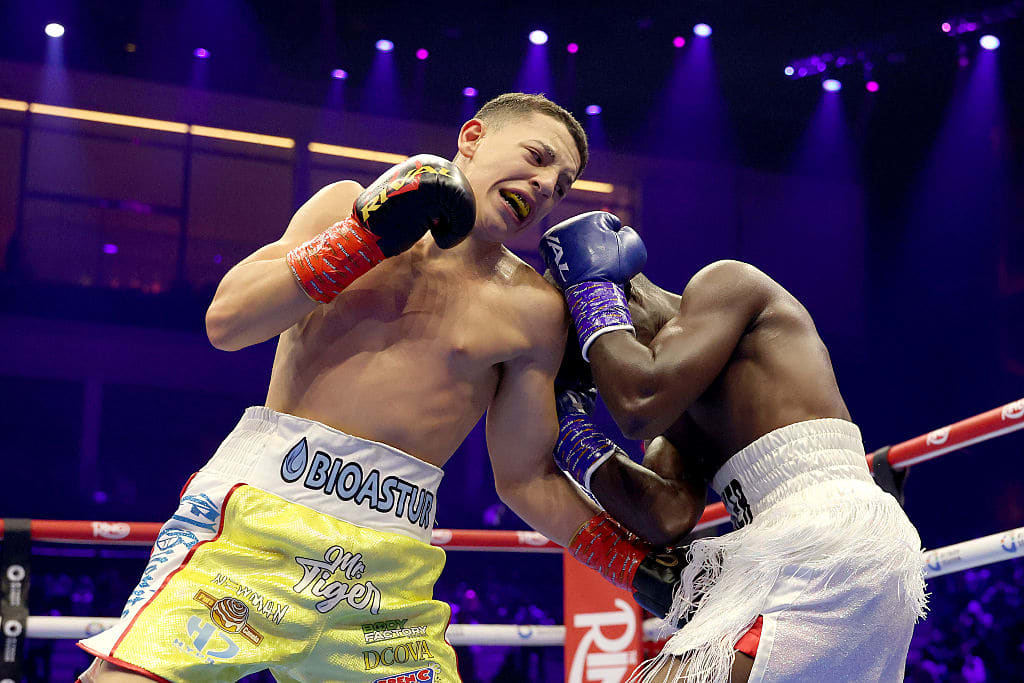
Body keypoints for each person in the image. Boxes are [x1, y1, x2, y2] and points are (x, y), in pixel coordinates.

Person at [76, 93, 620, 683]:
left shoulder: (536, 309)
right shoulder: (347, 205)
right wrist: (362, 239)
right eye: (537, 158)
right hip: (256, 523)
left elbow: (524, 477)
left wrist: (637, 564)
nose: (544, 185)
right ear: (472, 137)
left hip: (390, 571)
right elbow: (227, 324)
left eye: (562, 185)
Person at [539, 211, 928, 682]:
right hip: (786, 552)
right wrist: (567, 429)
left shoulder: (729, 285)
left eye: (596, 338)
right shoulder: (674, 421)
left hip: (830, 536)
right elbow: (665, 518)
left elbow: (637, 401)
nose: (600, 366)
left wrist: (589, 289)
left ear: (627, 294)